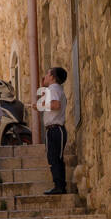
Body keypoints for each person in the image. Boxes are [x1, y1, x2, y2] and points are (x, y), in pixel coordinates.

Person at [38, 67, 68, 195]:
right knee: (54, 158)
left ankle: (59, 186)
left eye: (47, 74)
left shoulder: (54, 88)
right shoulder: (55, 89)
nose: (45, 76)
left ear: (52, 77)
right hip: (54, 130)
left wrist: (41, 105)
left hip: (56, 129)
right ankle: (59, 185)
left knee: (55, 158)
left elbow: (55, 105)